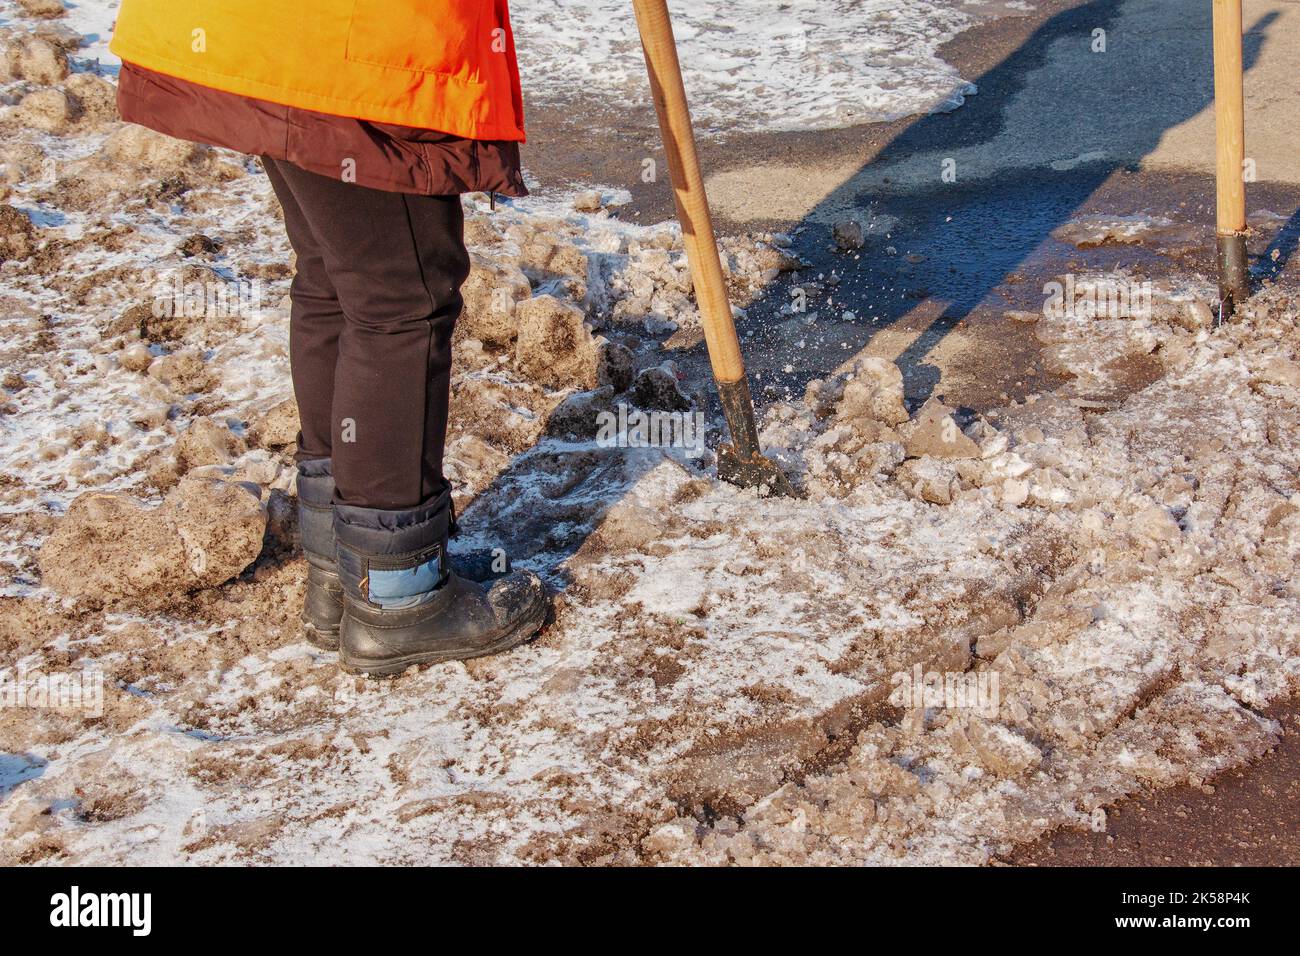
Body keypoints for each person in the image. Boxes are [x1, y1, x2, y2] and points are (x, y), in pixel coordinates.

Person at [108, 1, 549, 676]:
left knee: (336, 275)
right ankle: (399, 599)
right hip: (356, 54)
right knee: (398, 300)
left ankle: (339, 573)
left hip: (274, 37)